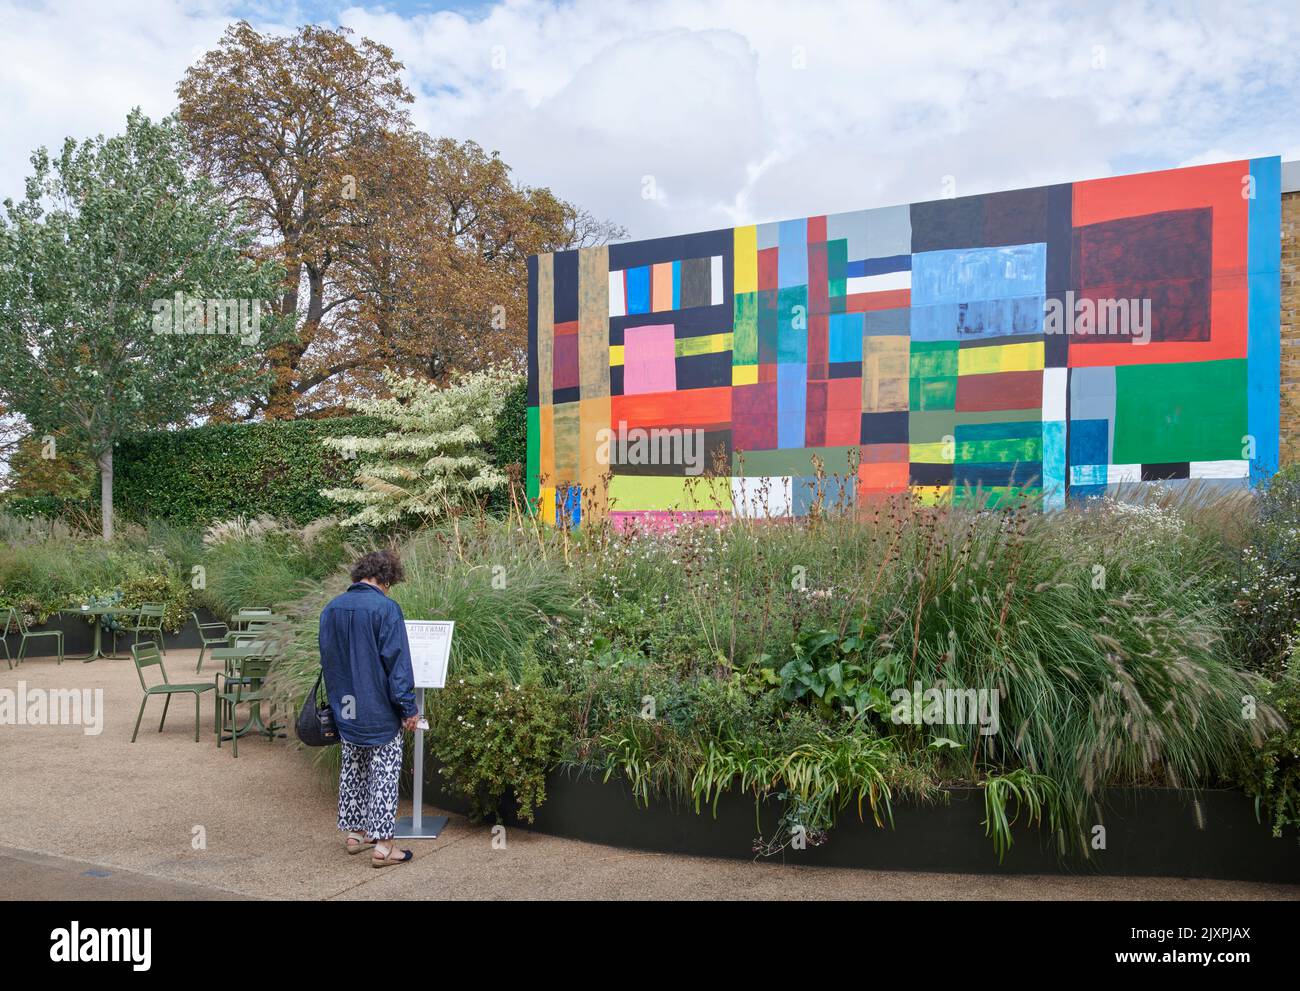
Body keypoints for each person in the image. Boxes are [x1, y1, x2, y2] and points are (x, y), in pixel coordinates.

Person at [318, 549, 421, 868]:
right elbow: (397, 664)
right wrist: (408, 707)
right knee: (385, 773)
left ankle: (355, 835)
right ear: (386, 578)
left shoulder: (331, 608)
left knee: (354, 768)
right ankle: (384, 847)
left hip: (346, 708)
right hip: (379, 709)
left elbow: (327, 660)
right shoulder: (386, 608)